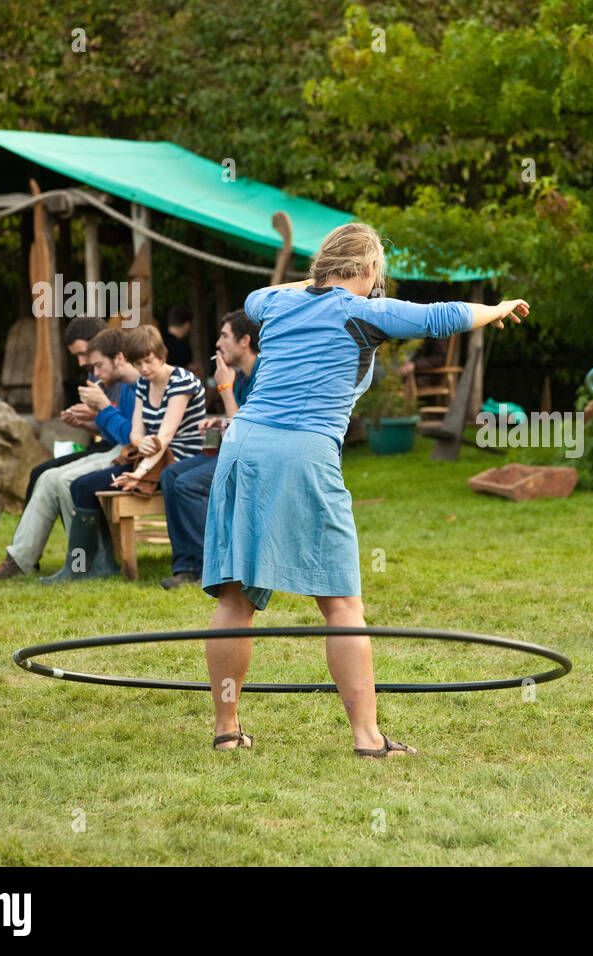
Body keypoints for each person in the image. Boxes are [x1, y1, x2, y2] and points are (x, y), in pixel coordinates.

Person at [201, 222, 529, 754]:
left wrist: (315, 282)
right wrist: (497, 308)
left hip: (242, 444)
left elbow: (254, 297)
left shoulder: (277, 305)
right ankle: (368, 738)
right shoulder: (363, 310)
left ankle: (226, 731)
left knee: (236, 598)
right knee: (342, 604)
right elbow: (439, 316)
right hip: (301, 448)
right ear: (372, 271)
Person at [42, 325, 206, 584]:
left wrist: (137, 474)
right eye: (139, 363)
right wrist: (140, 445)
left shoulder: (182, 382)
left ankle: (89, 566)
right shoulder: (143, 384)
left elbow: (164, 437)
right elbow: (136, 433)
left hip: (179, 461)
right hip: (150, 459)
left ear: (161, 353)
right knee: (81, 486)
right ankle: (87, 565)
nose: (144, 369)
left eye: (148, 361)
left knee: (85, 486)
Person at [0, 329, 137, 580]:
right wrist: (90, 419)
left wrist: (101, 409)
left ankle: (85, 563)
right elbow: (120, 429)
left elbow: (130, 436)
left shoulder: (134, 383)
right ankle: (21, 558)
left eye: (94, 363)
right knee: (46, 476)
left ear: (117, 356)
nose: (91, 369)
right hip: (116, 447)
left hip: (129, 455)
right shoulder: (123, 382)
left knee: (64, 480)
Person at [159, 310, 261, 589]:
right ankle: (186, 566)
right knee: (170, 476)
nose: (218, 344)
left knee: (188, 485)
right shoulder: (241, 378)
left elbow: (248, 434)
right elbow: (240, 419)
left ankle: (215, 566)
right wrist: (222, 421)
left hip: (254, 459)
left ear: (244, 341)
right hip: (234, 451)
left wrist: (225, 390)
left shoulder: (263, 375)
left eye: (225, 336)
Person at [21, 316, 120, 510]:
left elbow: (127, 431)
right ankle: (24, 539)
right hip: (108, 445)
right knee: (40, 473)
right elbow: (107, 428)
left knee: (56, 477)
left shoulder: (119, 374)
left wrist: (97, 413)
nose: (82, 362)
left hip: (120, 452)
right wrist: (83, 422)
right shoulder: (95, 372)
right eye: (77, 356)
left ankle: (79, 541)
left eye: (84, 353)